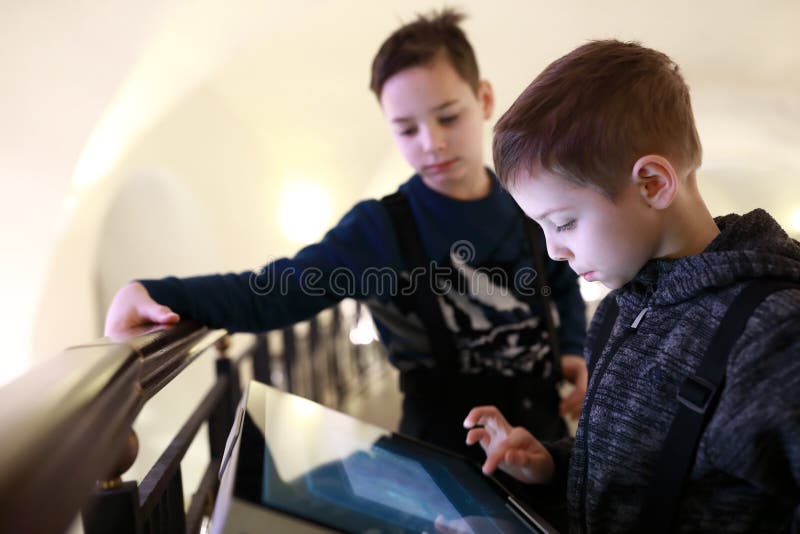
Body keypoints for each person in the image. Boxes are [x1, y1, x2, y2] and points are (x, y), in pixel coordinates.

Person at [104, 10, 588, 460]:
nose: (432, 143)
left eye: (448, 117)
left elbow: (560, 279)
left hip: (543, 438)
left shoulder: (524, 196)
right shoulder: (379, 231)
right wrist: (156, 292)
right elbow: (274, 292)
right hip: (446, 454)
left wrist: (573, 346)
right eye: (406, 128)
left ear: (483, 99)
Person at [462, 39, 800, 532]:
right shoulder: (624, 306)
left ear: (652, 185)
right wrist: (555, 466)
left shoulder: (776, 336)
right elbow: (641, 463)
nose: (554, 250)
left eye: (564, 222)